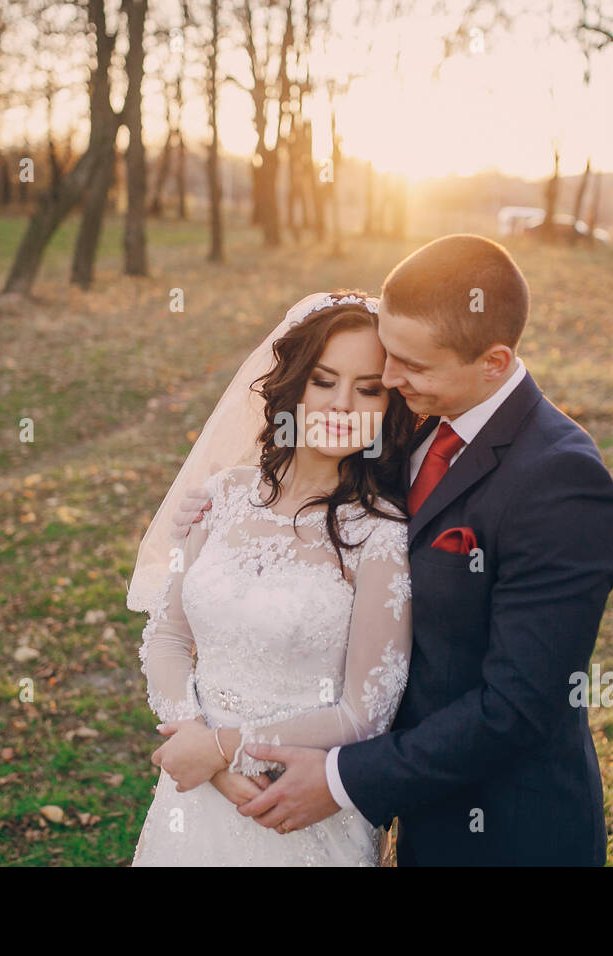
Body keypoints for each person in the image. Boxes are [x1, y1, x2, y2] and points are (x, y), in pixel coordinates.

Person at [171, 235, 613, 865]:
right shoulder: (413, 424)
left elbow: (519, 708)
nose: (387, 378)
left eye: (407, 366)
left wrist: (342, 780)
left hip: (505, 831)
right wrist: (220, 513)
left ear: (493, 362)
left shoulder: (559, 481)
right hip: (411, 818)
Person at [127, 291, 418, 866]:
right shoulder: (221, 498)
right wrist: (196, 747)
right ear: (292, 385)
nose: (342, 405)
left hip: (296, 805)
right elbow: (166, 638)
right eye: (323, 381)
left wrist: (224, 752)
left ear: (389, 407)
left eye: (367, 389)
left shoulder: (380, 536)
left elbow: (366, 712)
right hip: (193, 796)